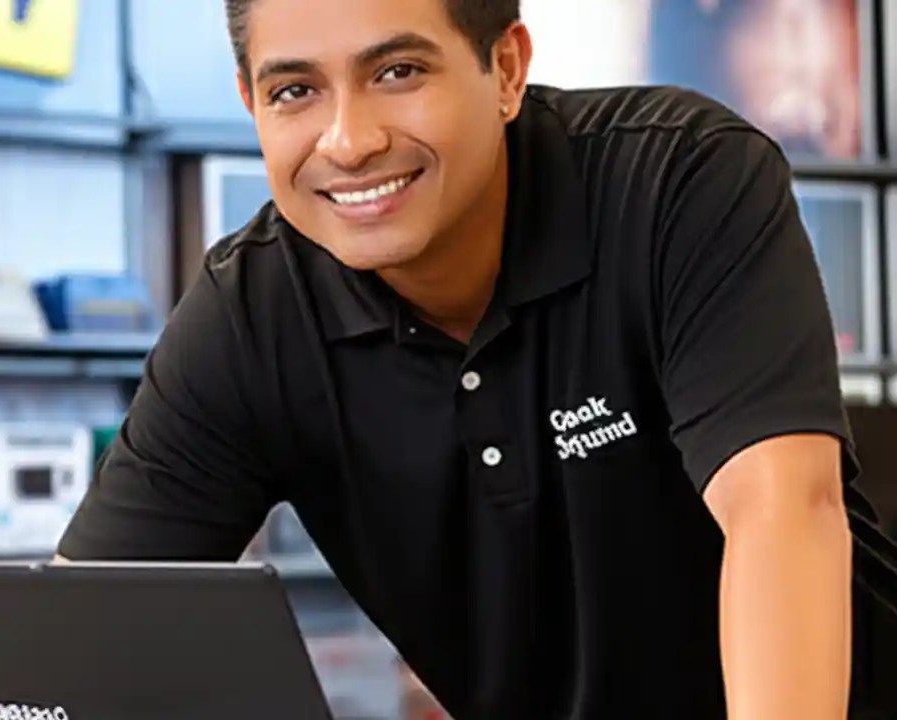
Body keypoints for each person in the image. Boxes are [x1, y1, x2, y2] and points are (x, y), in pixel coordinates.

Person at [56, 0, 862, 717]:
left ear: (506, 69)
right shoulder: (250, 315)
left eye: (398, 71)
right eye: (295, 91)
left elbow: (781, 511)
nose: (350, 141)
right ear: (251, 103)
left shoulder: (677, 179)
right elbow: (72, 643)